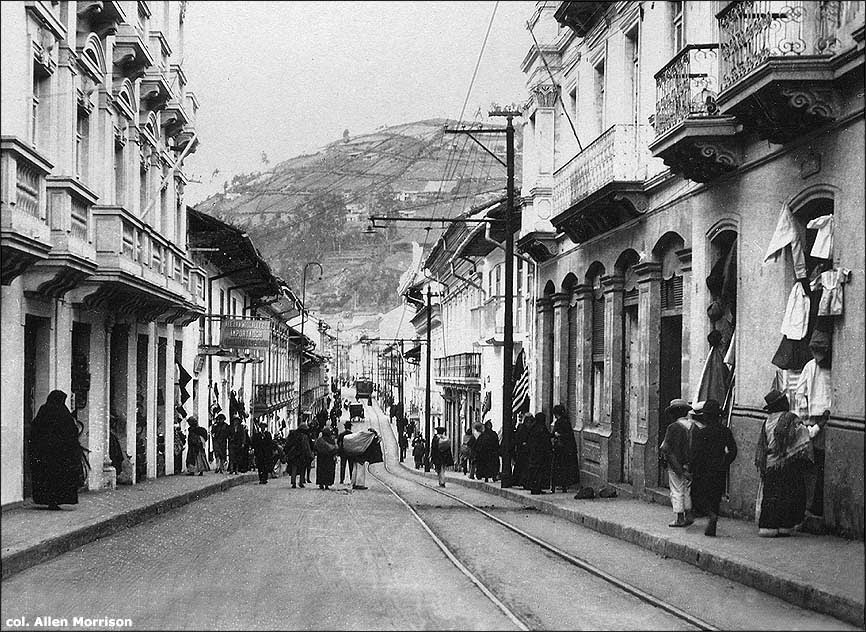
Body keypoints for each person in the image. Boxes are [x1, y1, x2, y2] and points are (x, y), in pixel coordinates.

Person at [754, 389, 814, 537]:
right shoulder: (790, 418)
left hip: (769, 463)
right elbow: (804, 436)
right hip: (785, 463)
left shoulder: (767, 421)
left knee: (771, 496)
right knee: (786, 495)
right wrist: (818, 426)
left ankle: (768, 527)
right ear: (783, 403)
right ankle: (784, 526)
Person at [29, 390, 89, 510]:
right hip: (61, 454)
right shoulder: (62, 412)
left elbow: (35, 428)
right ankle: (56, 501)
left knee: (47, 477)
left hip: (45, 453)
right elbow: (72, 430)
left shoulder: (44, 410)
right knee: (59, 478)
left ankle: (48, 500)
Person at [690, 399, 738, 536]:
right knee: (715, 496)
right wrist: (725, 462)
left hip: (703, 470)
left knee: (699, 495)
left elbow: (696, 453)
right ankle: (713, 518)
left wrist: (692, 468)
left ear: (705, 416)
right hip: (719, 469)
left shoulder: (701, 433)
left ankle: (709, 515)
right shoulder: (725, 431)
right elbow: (733, 450)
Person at [659, 399, 695, 527]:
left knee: (676, 490)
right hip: (690, 464)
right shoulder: (693, 426)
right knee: (687, 489)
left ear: (673, 414)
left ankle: (680, 518)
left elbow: (666, 448)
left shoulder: (673, 427)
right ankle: (689, 514)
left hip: (676, 464)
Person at [551, 404, 580, 493]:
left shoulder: (559, 422)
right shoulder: (567, 421)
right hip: (568, 449)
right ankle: (565, 485)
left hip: (560, 449)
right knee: (566, 467)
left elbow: (555, 433)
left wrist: (557, 435)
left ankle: (558, 484)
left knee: (558, 467)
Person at [525, 412, 553, 495]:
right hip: (541, 453)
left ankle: (534, 488)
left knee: (534, 471)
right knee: (539, 471)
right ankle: (537, 488)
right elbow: (546, 438)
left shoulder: (534, 428)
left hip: (534, 453)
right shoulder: (541, 428)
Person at [284, 422, 313, 488]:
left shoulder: (293, 434)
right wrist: (309, 454)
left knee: (294, 468)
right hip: (302, 455)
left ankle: (293, 482)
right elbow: (307, 447)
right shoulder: (305, 436)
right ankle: (301, 482)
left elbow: (288, 444)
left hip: (294, 455)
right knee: (302, 469)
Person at [513, 413, 531, 489]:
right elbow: (518, 438)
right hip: (522, 450)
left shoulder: (527, 428)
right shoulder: (522, 427)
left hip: (525, 450)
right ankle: (520, 481)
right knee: (522, 466)